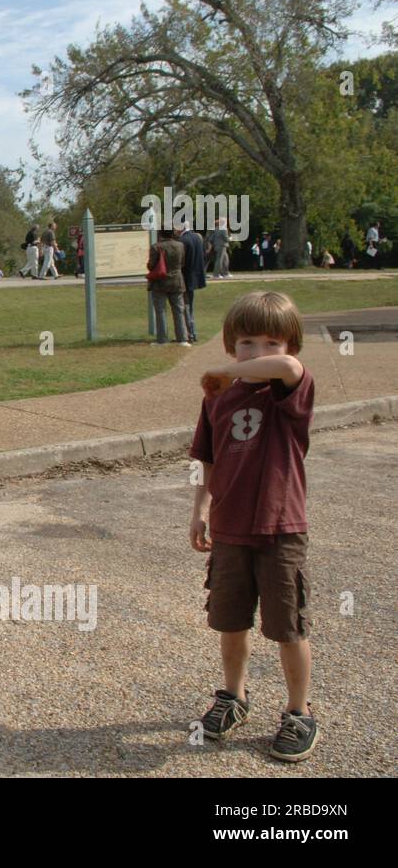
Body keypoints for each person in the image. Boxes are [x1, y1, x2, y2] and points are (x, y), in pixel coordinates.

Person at [189, 291, 318, 762]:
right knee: (231, 621)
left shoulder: (287, 389)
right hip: (230, 527)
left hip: (280, 528)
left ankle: (299, 711)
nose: (258, 352)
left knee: (287, 626)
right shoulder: (219, 397)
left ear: (290, 346)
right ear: (229, 344)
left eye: (271, 342)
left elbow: (286, 370)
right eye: (245, 342)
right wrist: (200, 509)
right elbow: (209, 459)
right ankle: (233, 696)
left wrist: (233, 370)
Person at [148, 228, 188, 346]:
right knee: (179, 311)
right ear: (173, 233)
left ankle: (162, 339)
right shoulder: (180, 246)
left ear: (160, 234)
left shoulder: (156, 247)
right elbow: (182, 263)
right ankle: (182, 339)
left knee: (160, 311)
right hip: (177, 280)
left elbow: (151, 265)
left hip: (159, 282)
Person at [179, 224, 207, 344]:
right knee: (189, 306)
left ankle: (191, 333)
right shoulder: (197, 238)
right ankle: (192, 332)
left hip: (186, 277)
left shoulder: (182, 240)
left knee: (186, 307)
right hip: (195, 276)